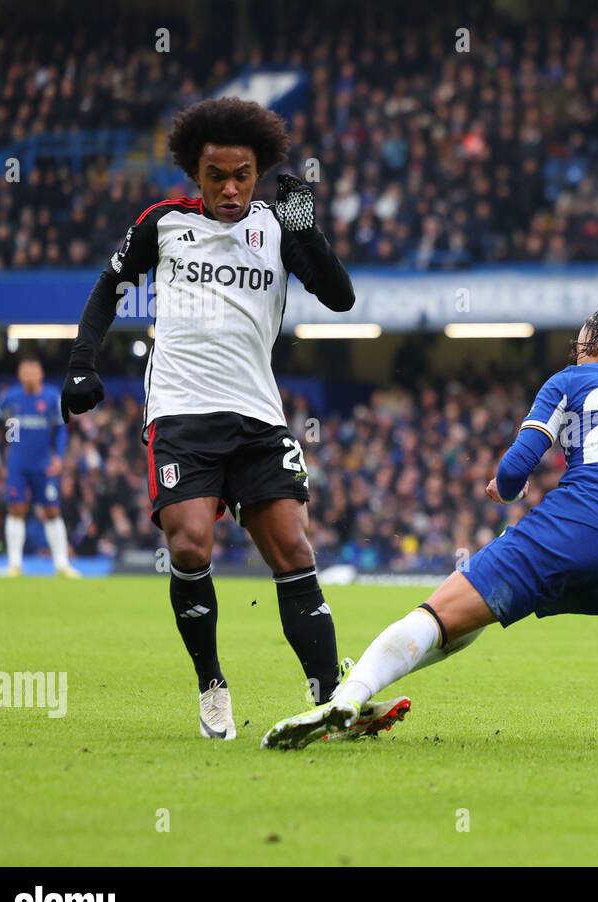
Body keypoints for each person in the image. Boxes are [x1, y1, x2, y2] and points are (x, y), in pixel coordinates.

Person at [262, 302, 598, 750]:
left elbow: (516, 470)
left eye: (581, 343)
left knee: (441, 608)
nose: (576, 352)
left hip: (573, 530)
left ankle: (346, 698)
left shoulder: (571, 380)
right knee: (480, 607)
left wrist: (506, 487)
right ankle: (369, 686)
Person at [59, 97, 399, 742]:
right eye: (217, 174)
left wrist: (307, 230)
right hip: (182, 413)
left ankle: (328, 697)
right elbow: (108, 286)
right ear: (196, 172)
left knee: (294, 551)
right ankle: (211, 682)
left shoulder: (277, 223)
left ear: (258, 170)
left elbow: (340, 295)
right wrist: (82, 363)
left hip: (257, 418)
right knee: (189, 544)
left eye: (242, 174)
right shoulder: (161, 223)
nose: (231, 187)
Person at [0, 354, 77, 577]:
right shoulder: (10, 398)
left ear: (40, 374)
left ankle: (61, 564)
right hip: (17, 464)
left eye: (32, 371)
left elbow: (61, 430)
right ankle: (14, 564)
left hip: (44, 464)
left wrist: (59, 457)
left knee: (52, 510)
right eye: (25, 371)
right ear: (19, 374)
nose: (28, 375)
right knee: (16, 509)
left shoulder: (51, 397)